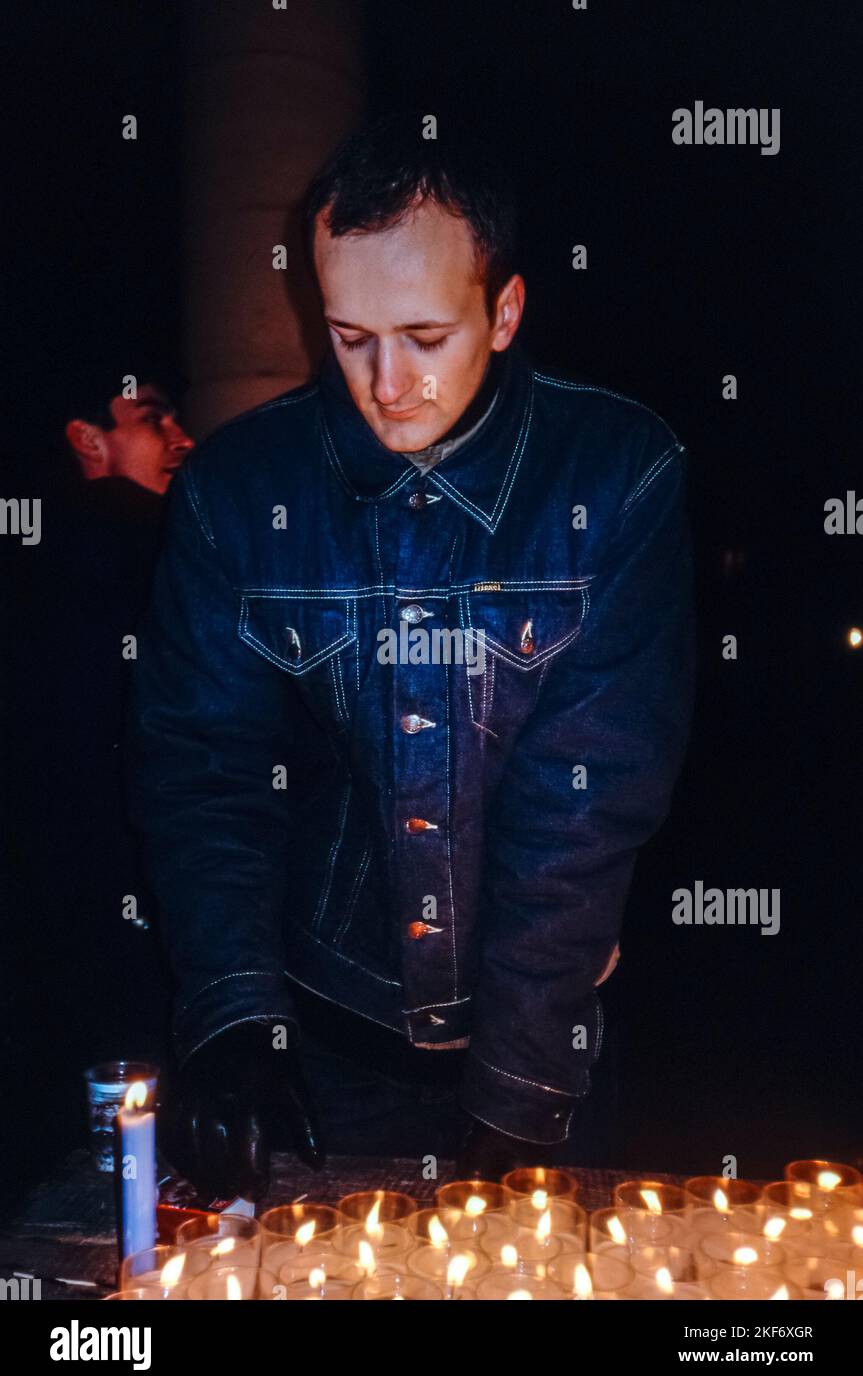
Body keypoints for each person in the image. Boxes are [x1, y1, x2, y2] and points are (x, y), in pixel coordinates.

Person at [126, 114, 694, 1196]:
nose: (385, 382)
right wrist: (235, 1016)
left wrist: (522, 1087)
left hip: (546, 1029)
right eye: (348, 336)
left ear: (506, 309)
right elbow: (204, 769)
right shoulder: (238, 491)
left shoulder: (618, 472)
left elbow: (588, 798)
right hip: (322, 1041)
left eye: (424, 336)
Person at [8, 362, 194, 1176]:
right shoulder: (127, 537)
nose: (182, 437)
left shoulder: (45, 550)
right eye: (153, 418)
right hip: (120, 884)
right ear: (88, 439)